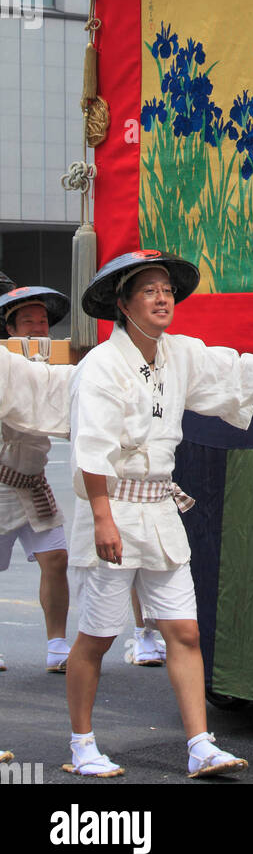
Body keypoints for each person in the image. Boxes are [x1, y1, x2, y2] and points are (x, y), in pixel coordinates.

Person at [65, 248, 253, 779]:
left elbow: (236, 368)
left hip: (160, 509)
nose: (163, 298)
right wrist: (101, 516)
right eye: (149, 290)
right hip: (113, 503)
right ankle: (82, 743)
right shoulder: (101, 364)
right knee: (97, 637)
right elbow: (90, 445)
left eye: (167, 289)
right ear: (123, 304)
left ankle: (199, 742)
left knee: (183, 632)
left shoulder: (179, 354)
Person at [0, 294, 73, 763]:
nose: (38, 326)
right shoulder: (6, 363)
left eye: (43, 320)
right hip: (1, 480)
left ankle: (56, 644)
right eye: (29, 320)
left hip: (36, 481)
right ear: (10, 326)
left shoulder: (52, 361)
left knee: (57, 558)